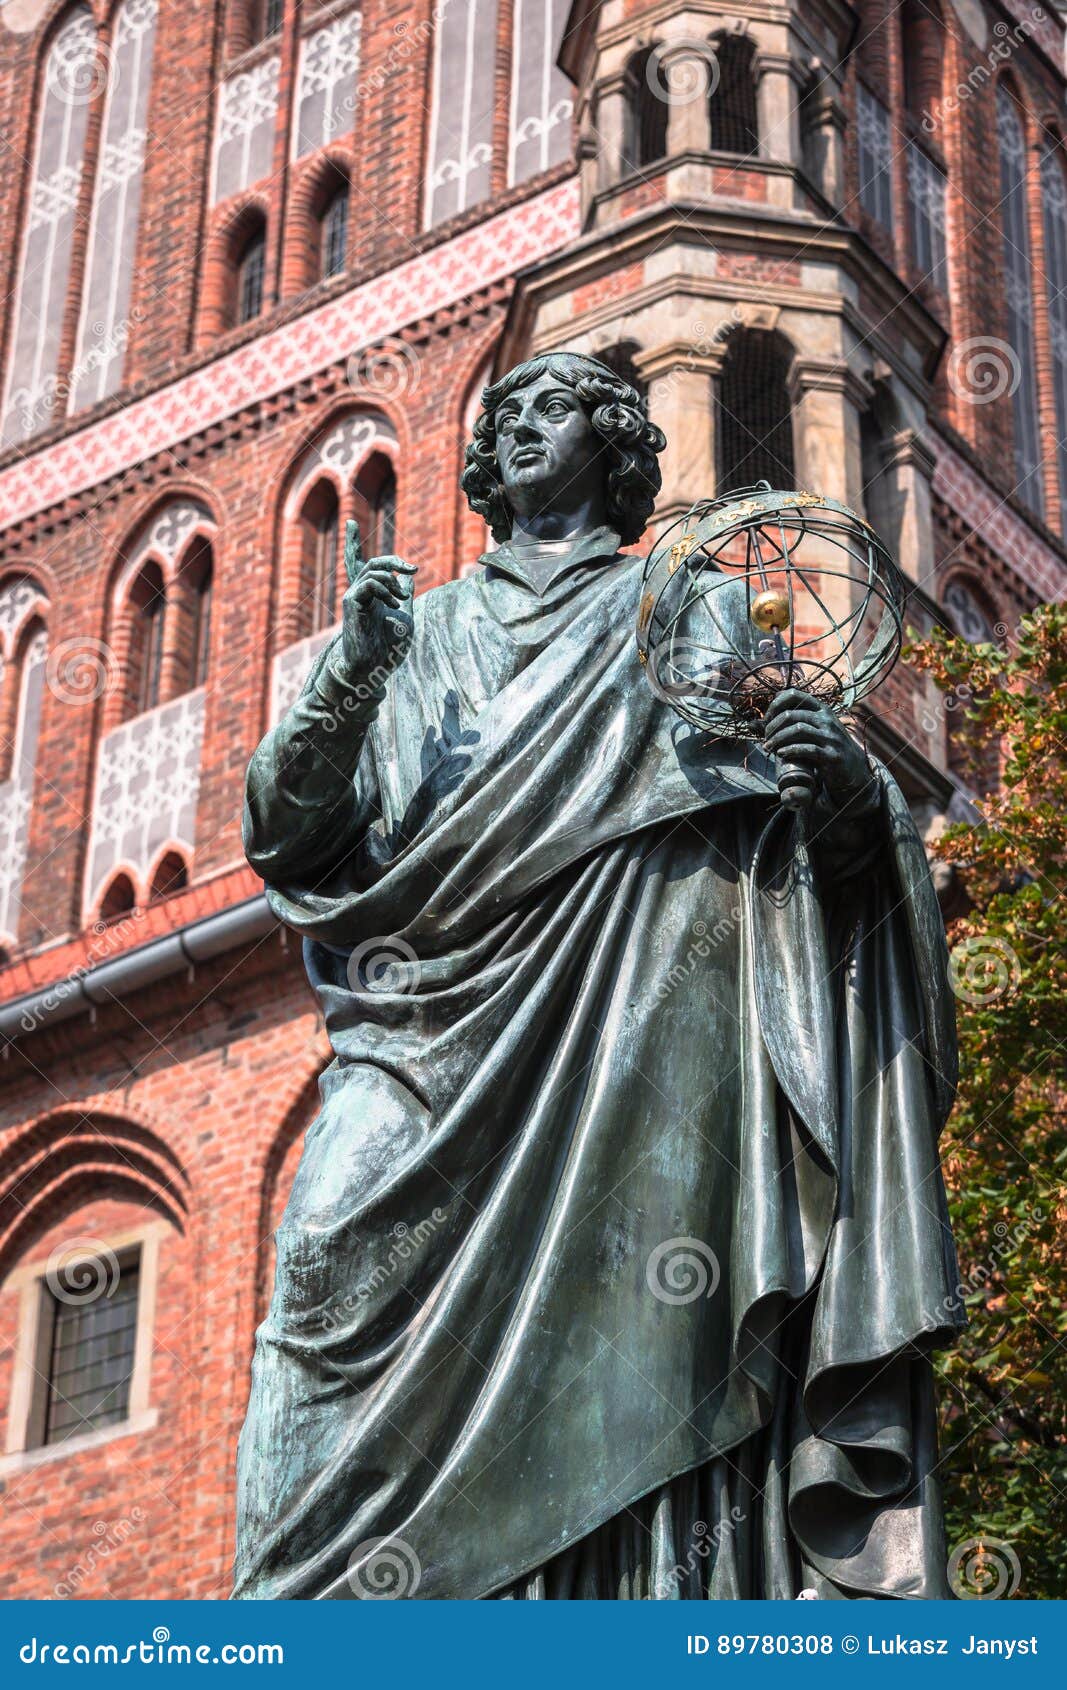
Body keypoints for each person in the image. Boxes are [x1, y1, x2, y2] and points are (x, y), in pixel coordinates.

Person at [233, 352, 961, 1600]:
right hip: (423, 1017)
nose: (520, 427)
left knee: (642, 1328)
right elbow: (292, 836)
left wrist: (836, 790)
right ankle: (305, 1619)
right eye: (503, 413)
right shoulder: (413, 632)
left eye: (553, 406)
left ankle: (635, 1600)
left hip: (638, 1015)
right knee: (318, 1255)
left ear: (615, 444)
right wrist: (351, 672)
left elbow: (774, 837)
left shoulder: (685, 606)